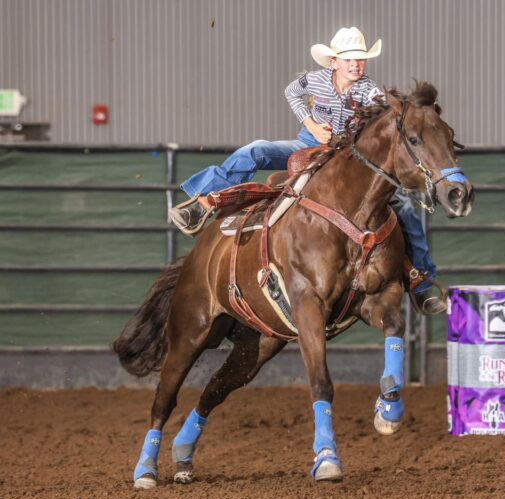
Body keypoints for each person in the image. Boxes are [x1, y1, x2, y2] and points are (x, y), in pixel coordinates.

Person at [168, 27, 445, 314]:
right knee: (256, 150)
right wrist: (311, 124)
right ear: (333, 62)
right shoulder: (315, 80)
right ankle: (203, 202)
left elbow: (387, 118)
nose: (356, 64)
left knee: (406, 210)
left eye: (361, 59)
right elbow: (291, 92)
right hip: (308, 143)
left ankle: (421, 283)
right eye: (348, 59)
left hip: (347, 159)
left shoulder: (370, 91)